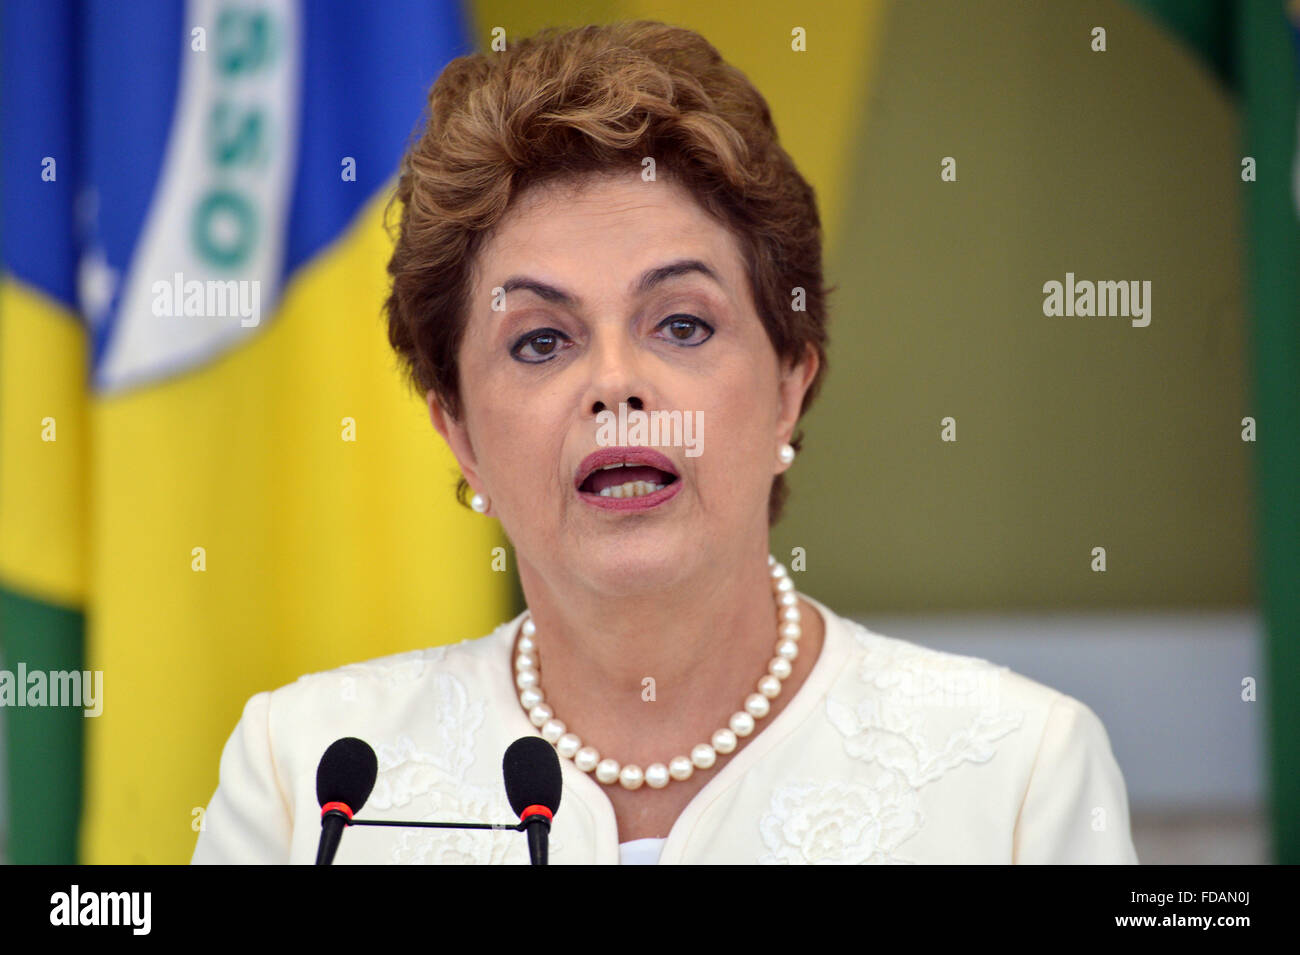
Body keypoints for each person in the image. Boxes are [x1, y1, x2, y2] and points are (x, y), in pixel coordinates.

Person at [192, 20, 1138, 865]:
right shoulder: (308, 782)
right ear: (460, 432)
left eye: (681, 324)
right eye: (541, 340)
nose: (614, 383)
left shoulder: (1020, 776)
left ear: (787, 386)